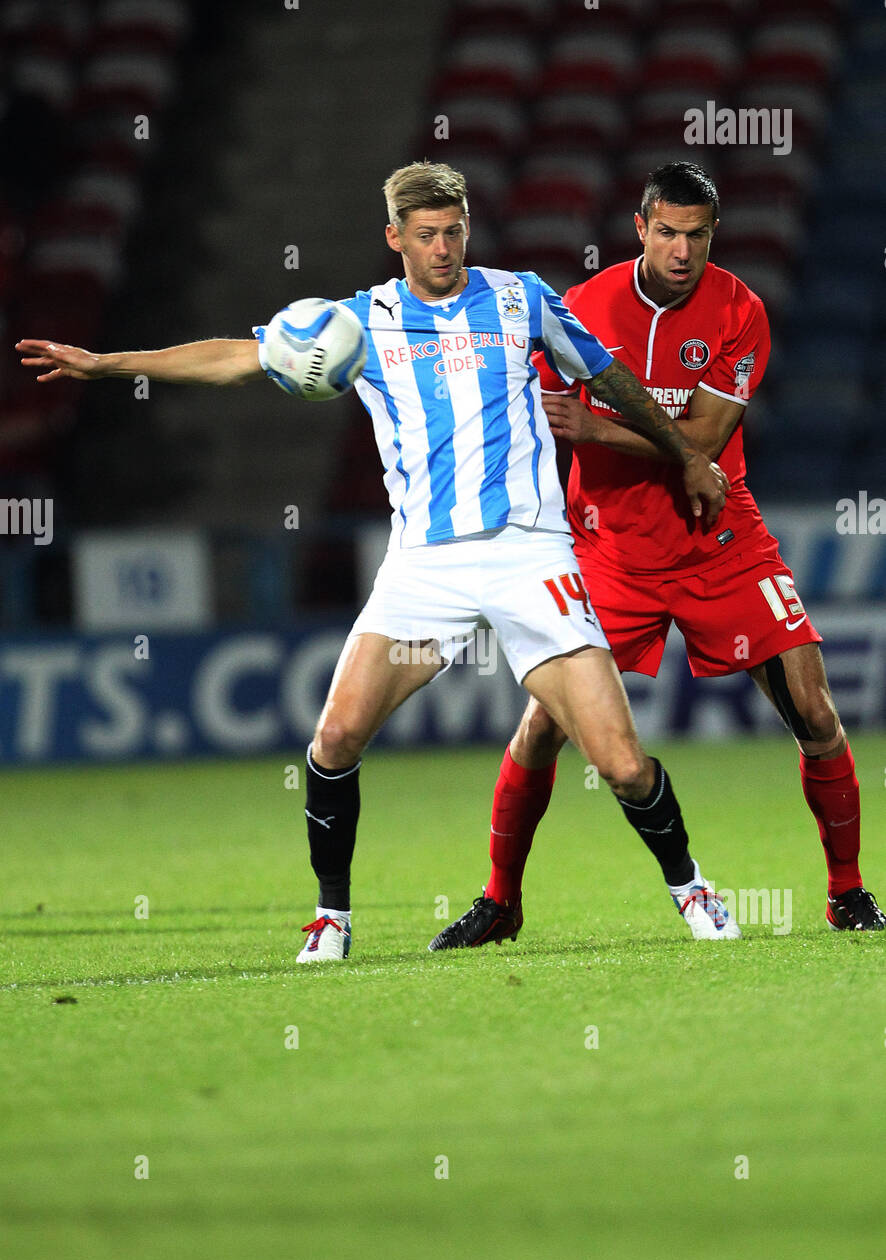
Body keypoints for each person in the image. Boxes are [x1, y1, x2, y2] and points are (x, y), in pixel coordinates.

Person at [17, 160, 738, 963]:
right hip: (422, 567)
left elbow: (611, 378)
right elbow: (234, 356)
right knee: (335, 739)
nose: (443, 249)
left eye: (454, 232)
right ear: (394, 237)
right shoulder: (357, 326)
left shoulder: (521, 298)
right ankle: (333, 918)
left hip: (528, 555)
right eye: (426, 235)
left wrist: (684, 455)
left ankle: (692, 887)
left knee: (620, 761)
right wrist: (110, 365)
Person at [440, 161, 883, 948]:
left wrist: (600, 428)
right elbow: (541, 406)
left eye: (699, 235)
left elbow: (704, 448)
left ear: (715, 236)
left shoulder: (740, 310)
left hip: (720, 539)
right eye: (669, 233)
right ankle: (500, 900)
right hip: (611, 548)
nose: (683, 251)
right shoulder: (585, 306)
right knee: (543, 724)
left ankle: (846, 893)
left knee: (815, 712)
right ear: (641, 229)